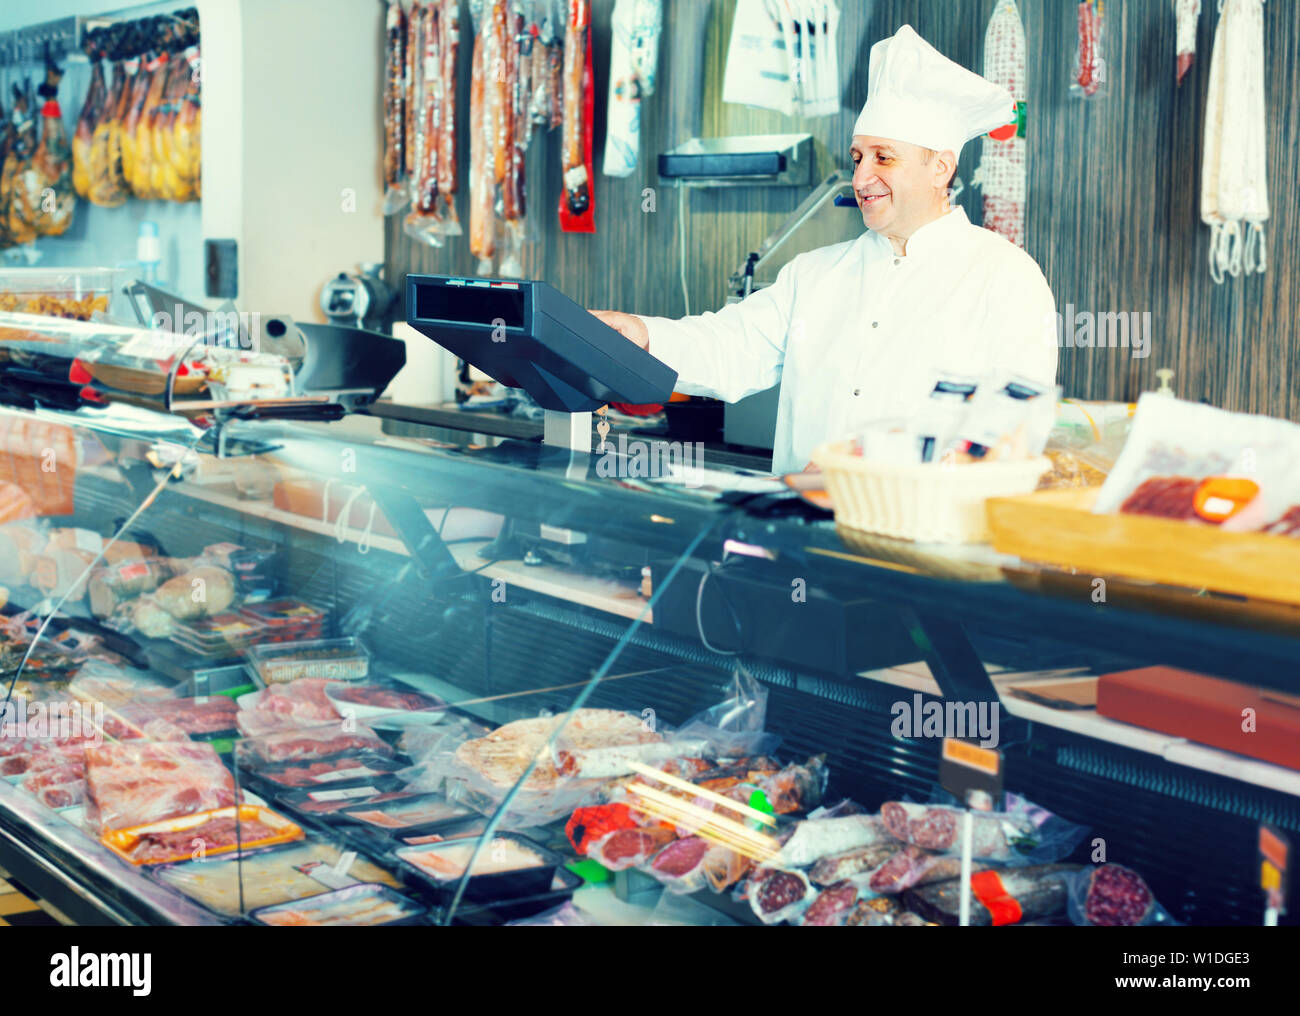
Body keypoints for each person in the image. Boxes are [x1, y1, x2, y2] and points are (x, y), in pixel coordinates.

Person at [592, 25, 1058, 474]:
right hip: (803, 539)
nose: (859, 179)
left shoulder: (1005, 278)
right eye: (857, 157)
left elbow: (1011, 438)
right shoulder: (814, 274)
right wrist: (642, 334)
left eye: (883, 157)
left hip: (927, 546)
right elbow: (731, 347)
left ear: (940, 168)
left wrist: (873, 469)